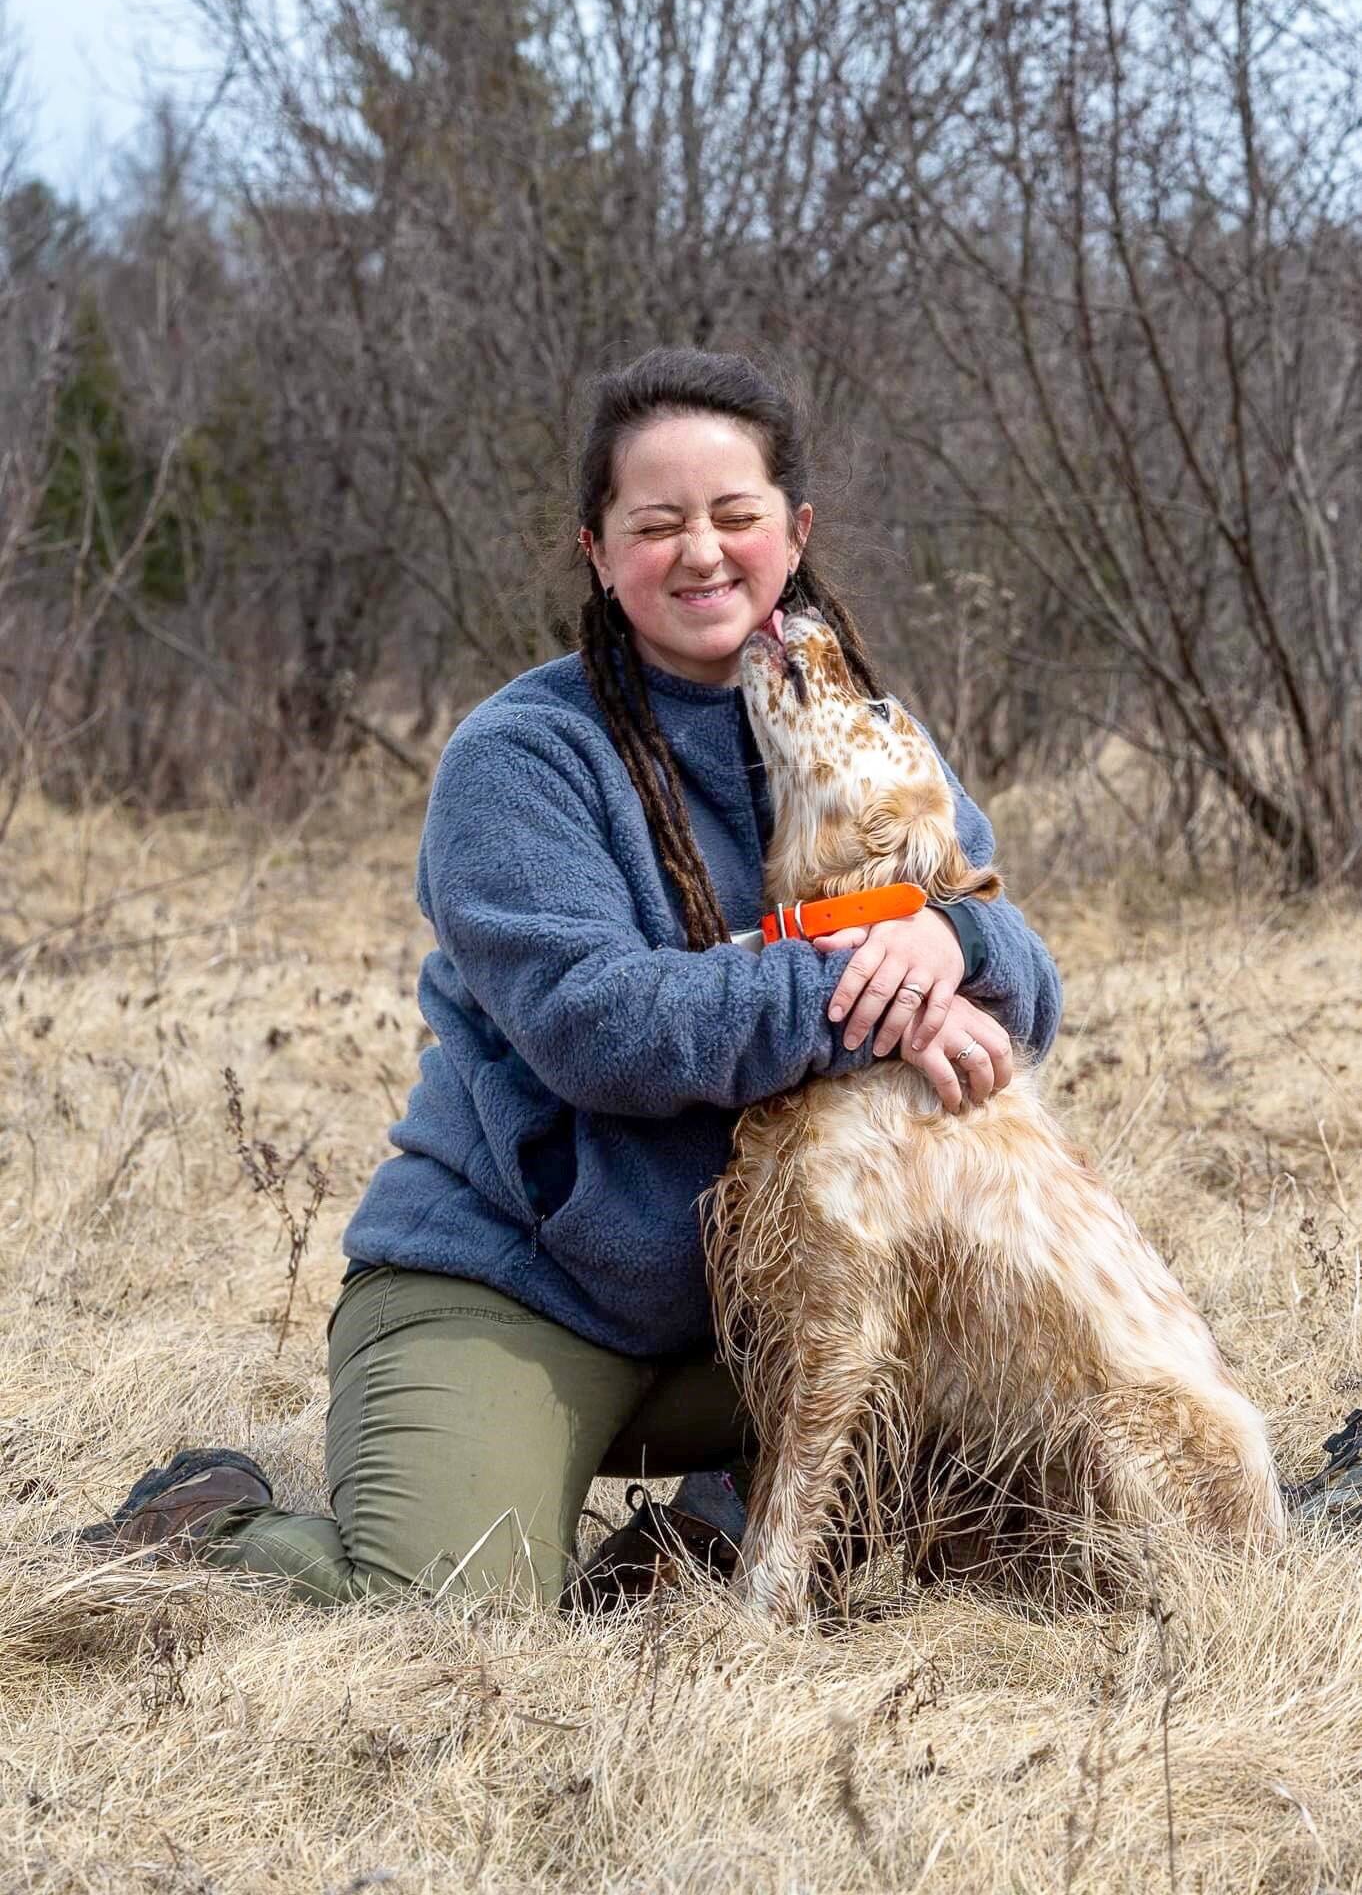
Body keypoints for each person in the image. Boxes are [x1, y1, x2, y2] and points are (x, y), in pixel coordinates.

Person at [76, 348, 1067, 1608]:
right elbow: (606, 1027)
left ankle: (700, 1537)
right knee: (442, 1615)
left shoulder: (857, 719)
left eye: (735, 513)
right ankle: (202, 1522)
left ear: (794, 529)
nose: (702, 550)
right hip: (525, 1286)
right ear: (597, 549)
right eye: (656, 523)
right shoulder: (523, 756)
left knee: (1006, 1464)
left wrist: (960, 947)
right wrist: (879, 975)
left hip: (768, 1309)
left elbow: (1019, 972)